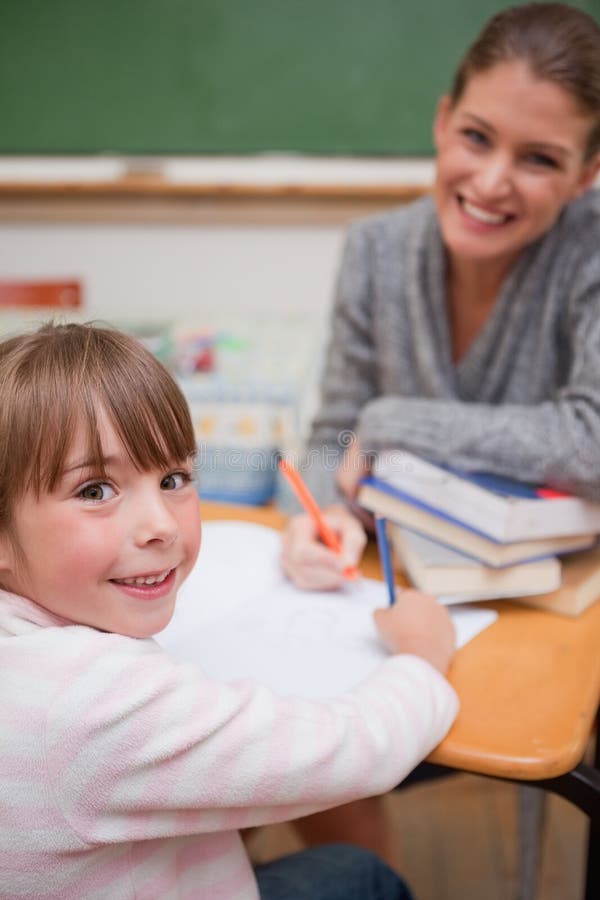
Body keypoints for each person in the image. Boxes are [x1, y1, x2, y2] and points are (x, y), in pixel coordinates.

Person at [280, 0, 600, 857]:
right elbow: (329, 435)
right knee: (309, 746)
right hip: (401, 597)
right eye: (476, 136)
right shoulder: (376, 251)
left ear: (586, 175)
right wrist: (313, 519)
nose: (493, 181)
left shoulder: (591, 257)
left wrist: (392, 421)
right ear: (440, 122)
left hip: (548, 616)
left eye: (540, 159)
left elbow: (592, 442)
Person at [0, 321, 458, 900]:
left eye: (173, 479)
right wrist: (423, 656)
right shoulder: (94, 702)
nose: (162, 525)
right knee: (360, 874)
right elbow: (356, 752)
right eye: (95, 491)